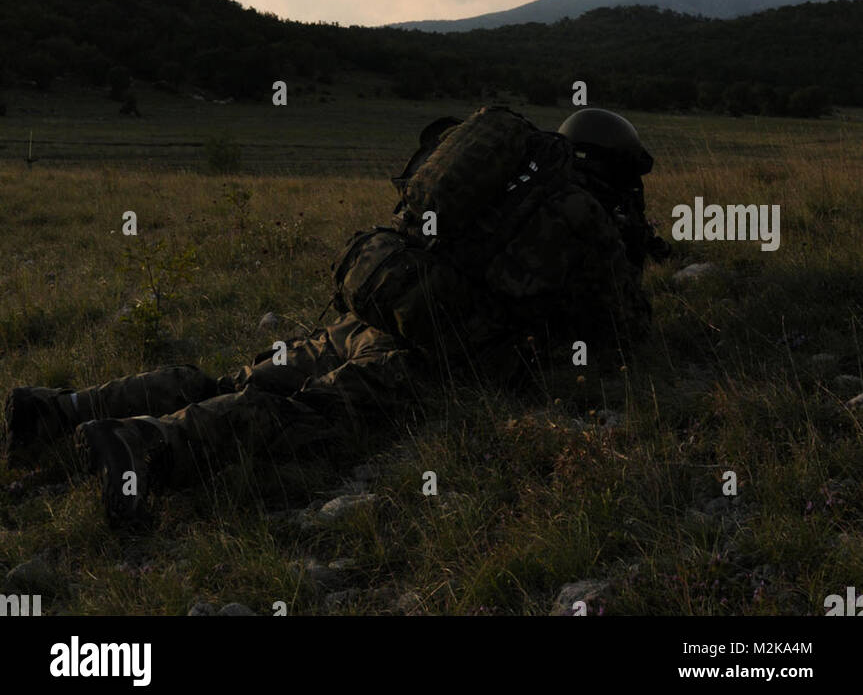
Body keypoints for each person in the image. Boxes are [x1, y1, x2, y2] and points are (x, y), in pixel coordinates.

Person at [4, 107, 664, 528]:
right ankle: (148, 445)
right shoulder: (579, 217)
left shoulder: (505, 171)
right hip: (426, 344)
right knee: (311, 412)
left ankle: (61, 409)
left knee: (239, 378)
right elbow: (625, 332)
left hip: (373, 300)